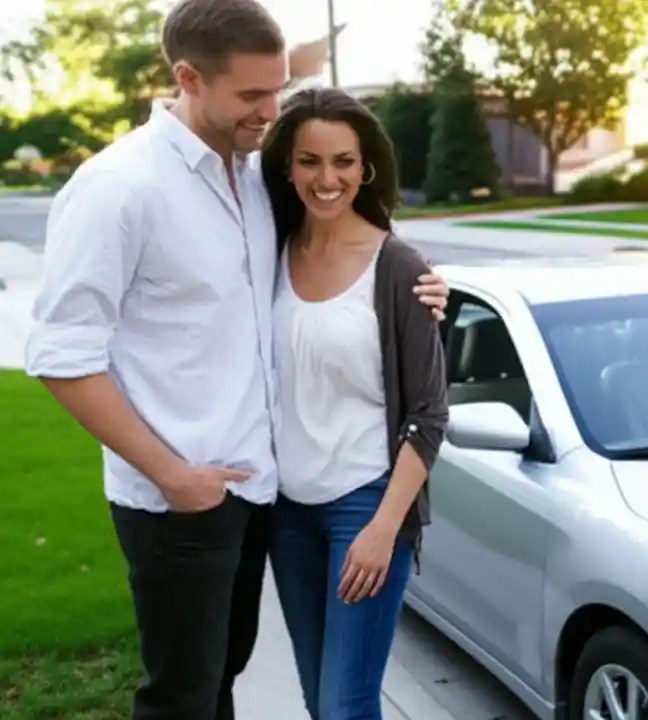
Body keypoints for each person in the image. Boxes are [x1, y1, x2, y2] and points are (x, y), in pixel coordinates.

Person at [22, 1, 449, 718]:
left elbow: (339, 223)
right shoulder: (120, 187)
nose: (269, 111)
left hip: (257, 492)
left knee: (224, 675)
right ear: (188, 78)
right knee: (183, 696)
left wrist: (421, 286)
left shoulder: (252, 178)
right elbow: (61, 355)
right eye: (252, 95)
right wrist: (172, 476)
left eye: (276, 89)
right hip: (178, 497)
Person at [257, 87, 449, 719]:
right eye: (310, 161)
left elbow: (427, 415)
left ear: (364, 168)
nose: (327, 178)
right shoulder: (272, 252)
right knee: (320, 700)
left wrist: (383, 530)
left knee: (346, 705)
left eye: (343, 161)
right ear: (288, 166)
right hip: (288, 513)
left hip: (365, 505)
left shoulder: (398, 269)